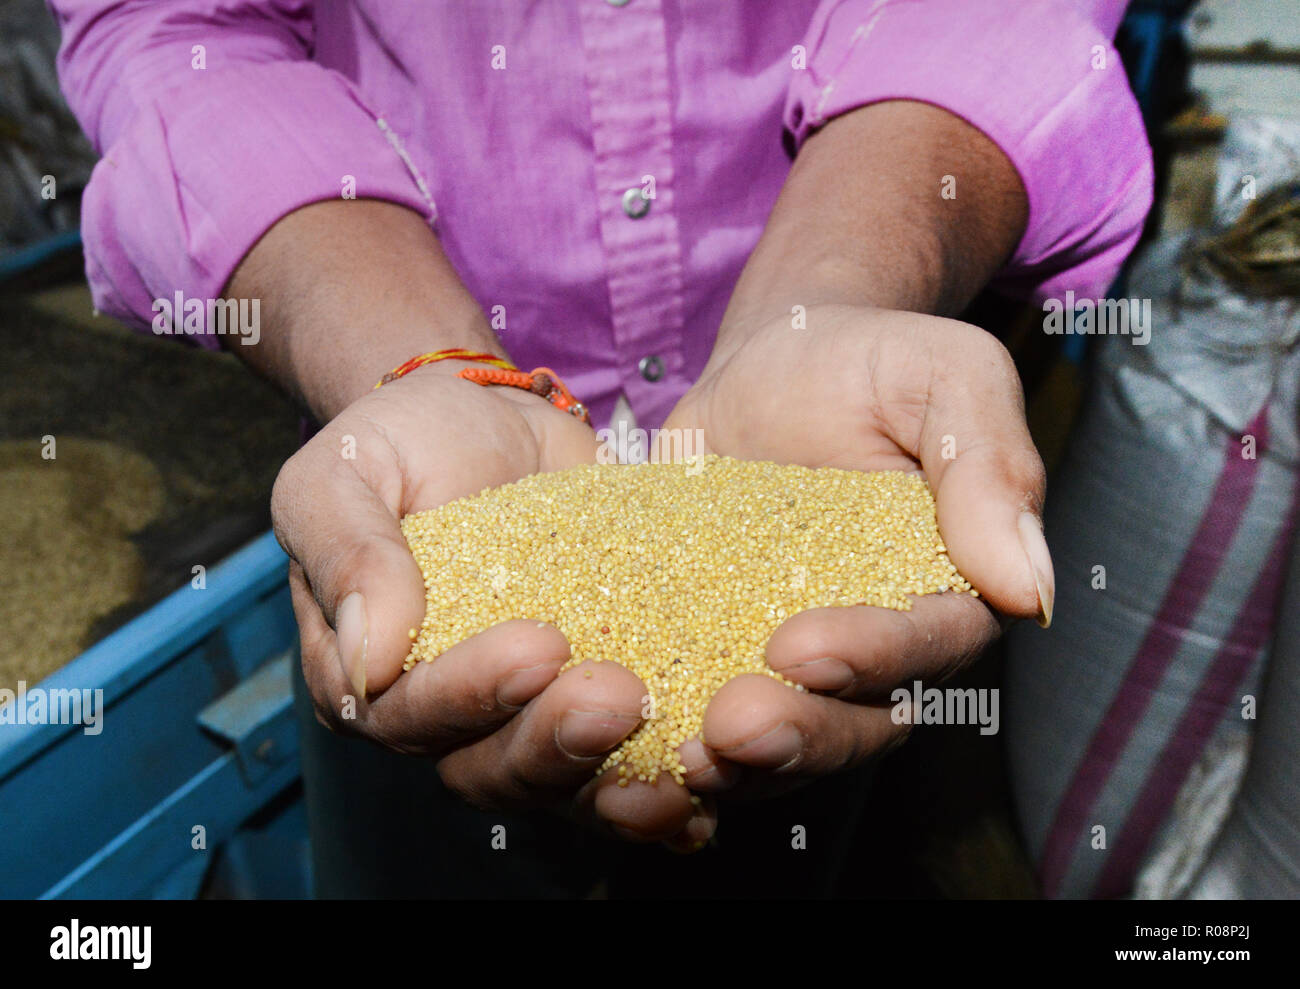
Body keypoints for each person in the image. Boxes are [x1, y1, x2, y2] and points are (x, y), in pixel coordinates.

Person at [51, 0, 1151, 895]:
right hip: (415, 489)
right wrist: (415, 361)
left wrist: (825, 299)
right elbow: (177, 29)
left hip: (821, 461)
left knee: (795, 806)